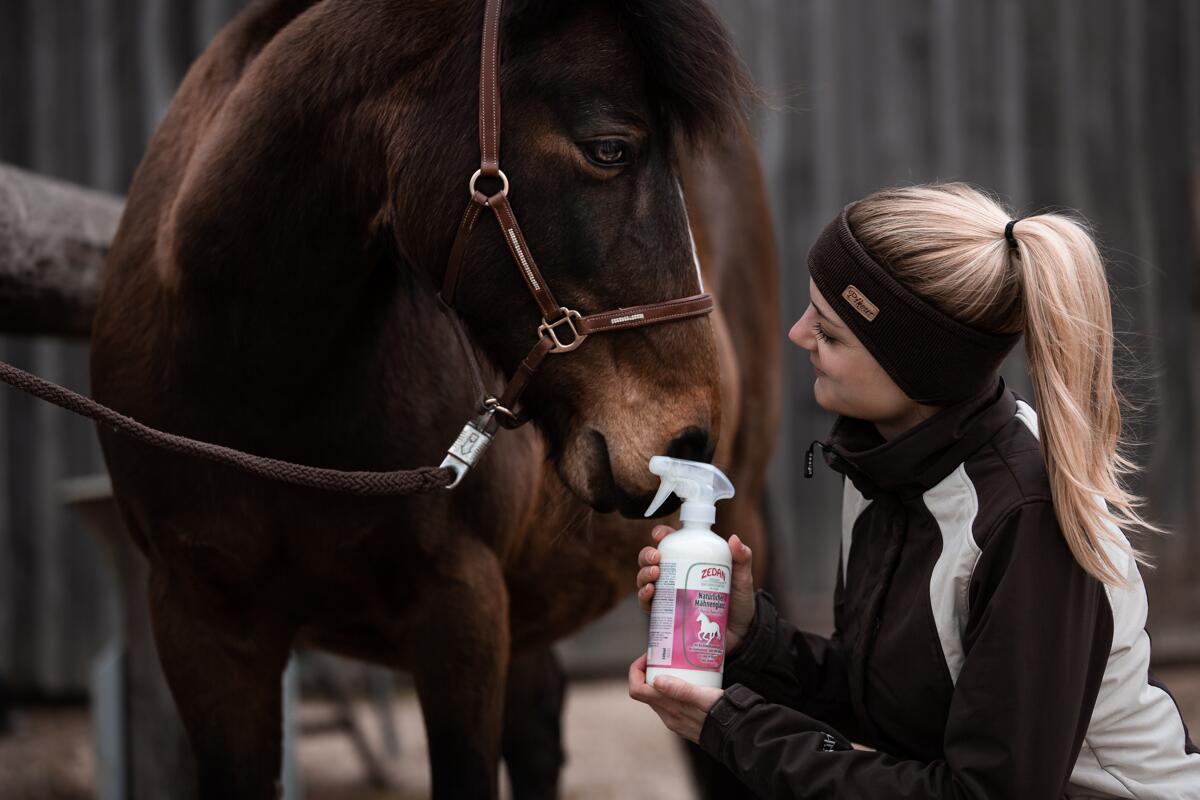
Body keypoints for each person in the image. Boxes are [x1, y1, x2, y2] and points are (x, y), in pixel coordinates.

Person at [628, 183, 1200, 798]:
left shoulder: (1026, 518)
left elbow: (980, 793)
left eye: (830, 332)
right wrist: (755, 641)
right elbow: (895, 701)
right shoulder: (886, 465)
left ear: (914, 365)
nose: (797, 335)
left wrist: (739, 731)